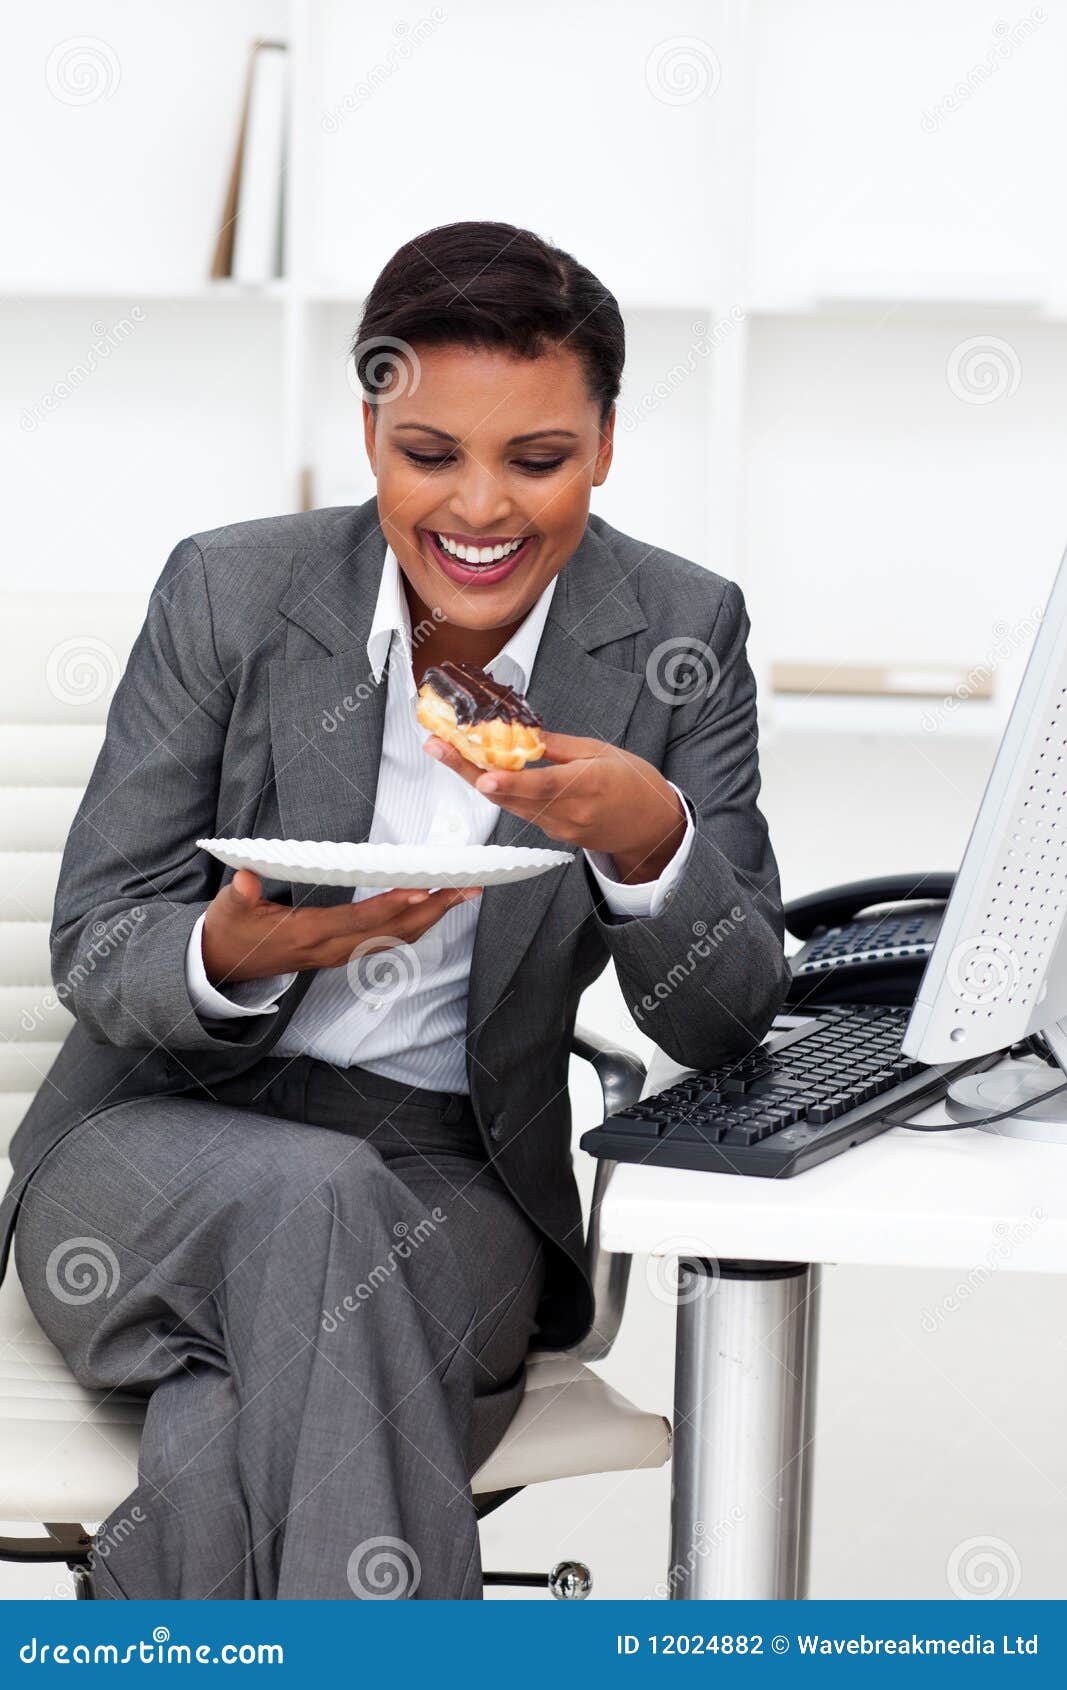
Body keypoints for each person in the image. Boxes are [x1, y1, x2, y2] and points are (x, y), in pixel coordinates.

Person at [0, 220, 792, 1600]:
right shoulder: (231, 591)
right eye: (430, 454)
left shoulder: (680, 631)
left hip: (453, 1173)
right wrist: (225, 955)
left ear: (604, 446)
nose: (478, 509)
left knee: (233, 1420)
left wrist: (646, 837)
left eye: (536, 460)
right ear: (371, 433)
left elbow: (725, 1020)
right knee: (315, 1206)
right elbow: (99, 938)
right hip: (153, 1146)